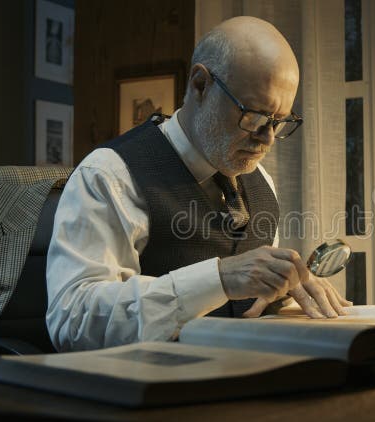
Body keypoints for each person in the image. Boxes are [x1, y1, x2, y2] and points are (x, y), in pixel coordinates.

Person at [46, 16, 351, 352]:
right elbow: (73, 321)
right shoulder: (109, 175)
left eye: (279, 121)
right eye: (253, 116)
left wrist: (283, 291)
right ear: (200, 84)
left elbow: (250, 305)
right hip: (151, 393)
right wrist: (218, 279)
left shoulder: (260, 180)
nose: (267, 139)